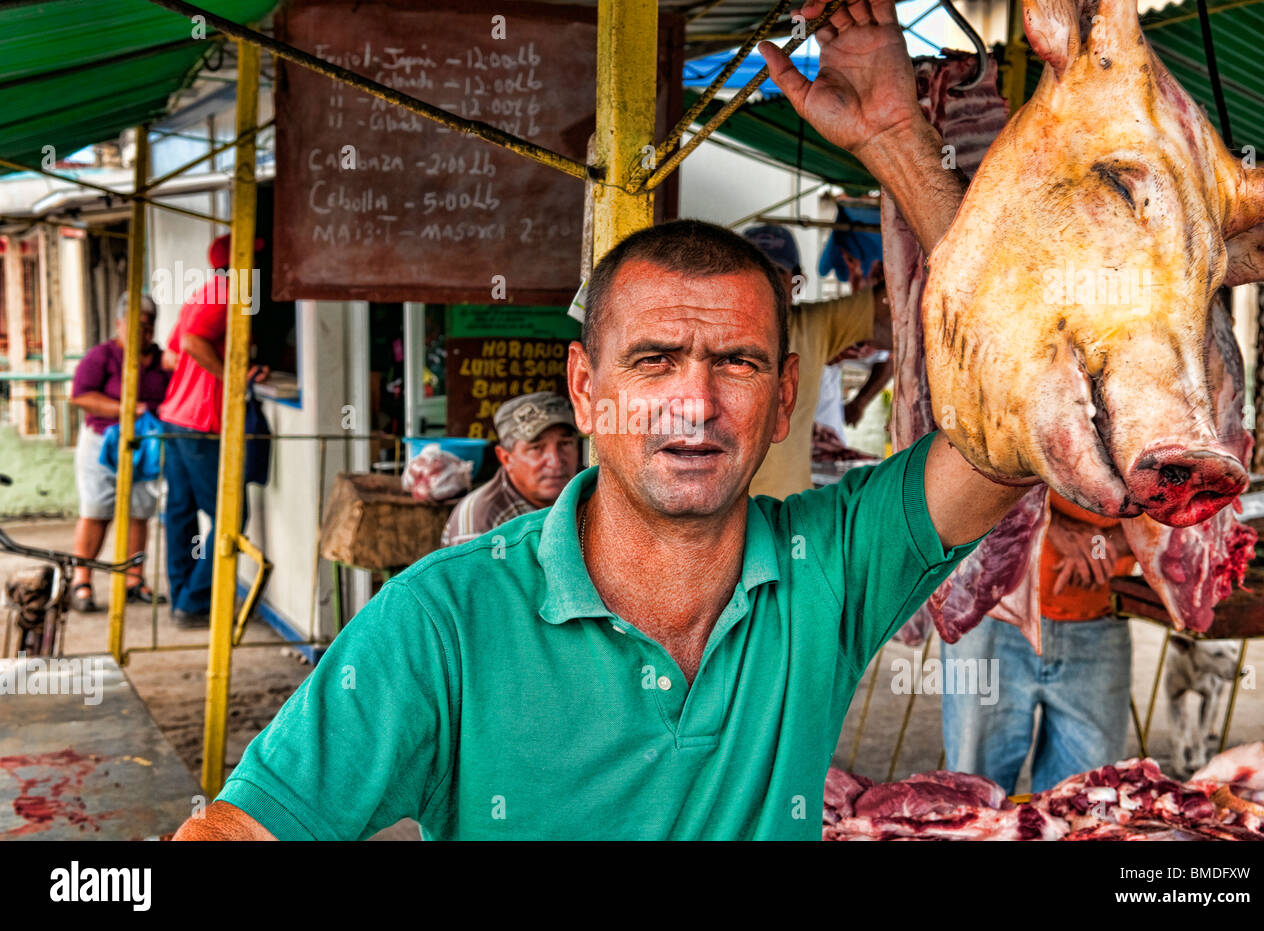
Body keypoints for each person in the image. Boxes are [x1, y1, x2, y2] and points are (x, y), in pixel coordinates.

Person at [174, 0, 1022, 841]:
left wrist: (894, 140)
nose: (695, 403)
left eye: (738, 362)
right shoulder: (445, 615)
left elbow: (1022, 406)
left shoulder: (829, 569)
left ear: (784, 397)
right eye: (654, 360)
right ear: (585, 388)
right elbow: (238, 831)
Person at [941, 490, 1136, 794]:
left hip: (1098, 624)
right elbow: (971, 470)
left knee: (1086, 799)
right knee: (974, 795)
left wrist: (1099, 546)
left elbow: (1177, 515)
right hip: (991, 612)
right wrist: (1048, 525)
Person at [157, 233, 268, 629]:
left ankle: (183, 596)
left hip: (176, 416)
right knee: (231, 516)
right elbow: (189, 342)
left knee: (181, 512)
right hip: (202, 423)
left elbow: (172, 356)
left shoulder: (202, 292)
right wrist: (230, 379)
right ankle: (195, 600)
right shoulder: (228, 292)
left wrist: (232, 367)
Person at [743, 224, 892, 498]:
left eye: (776, 272)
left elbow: (890, 311)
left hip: (788, 510)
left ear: (795, 281)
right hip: (718, 518)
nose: (764, 284)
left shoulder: (815, 325)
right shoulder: (708, 332)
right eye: (751, 271)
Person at [68, 293, 173, 611]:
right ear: (119, 323)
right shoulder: (102, 356)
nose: (143, 331)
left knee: (139, 512)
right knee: (96, 511)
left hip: (145, 446)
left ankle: (133, 579)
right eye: (136, 324)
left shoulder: (162, 360)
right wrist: (128, 409)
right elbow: (81, 396)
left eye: (149, 324)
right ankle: (82, 581)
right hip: (103, 441)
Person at [440, 391, 581, 548]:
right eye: (536, 448)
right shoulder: (482, 521)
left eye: (565, 443)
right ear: (506, 458)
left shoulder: (585, 495)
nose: (555, 462)